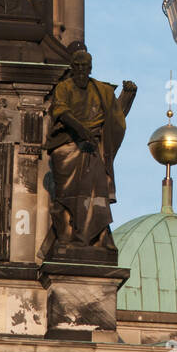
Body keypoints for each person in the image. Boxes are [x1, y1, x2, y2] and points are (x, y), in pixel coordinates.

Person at [44, 51, 136, 251]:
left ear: (90, 68)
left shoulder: (100, 90)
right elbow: (60, 111)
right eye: (76, 66)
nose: (80, 70)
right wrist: (80, 129)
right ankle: (65, 237)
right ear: (71, 67)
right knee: (65, 196)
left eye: (84, 67)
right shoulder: (64, 87)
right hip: (67, 147)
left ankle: (95, 237)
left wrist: (128, 96)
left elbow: (113, 119)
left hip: (91, 148)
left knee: (96, 194)